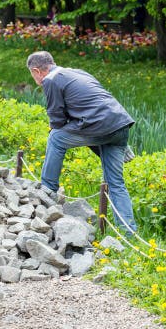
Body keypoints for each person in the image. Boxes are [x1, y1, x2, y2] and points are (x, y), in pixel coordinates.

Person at [26, 50, 137, 235]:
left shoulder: (50, 80)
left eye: (32, 75)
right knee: (115, 182)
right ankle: (128, 232)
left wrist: (56, 127)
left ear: (37, 71)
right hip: (120, 124)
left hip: (99, 126)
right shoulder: (77, 72)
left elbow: (57, 119)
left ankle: (47, 190)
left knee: (56, 137)